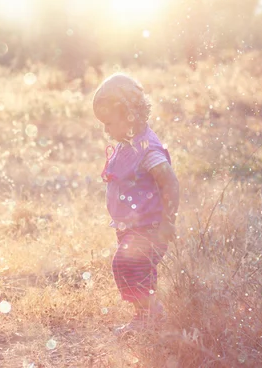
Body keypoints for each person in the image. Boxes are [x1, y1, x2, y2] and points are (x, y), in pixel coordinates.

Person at [92, 73, 180, 335]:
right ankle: (146, 320)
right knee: (138, 272)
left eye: (108, 123)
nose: (106, 130)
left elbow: (169, 182)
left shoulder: (148, 149)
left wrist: (168, 223)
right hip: (131, 228)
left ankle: (152, 314)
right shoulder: (126, 144)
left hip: (149, 228)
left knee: (126, 265)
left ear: (128, 115)